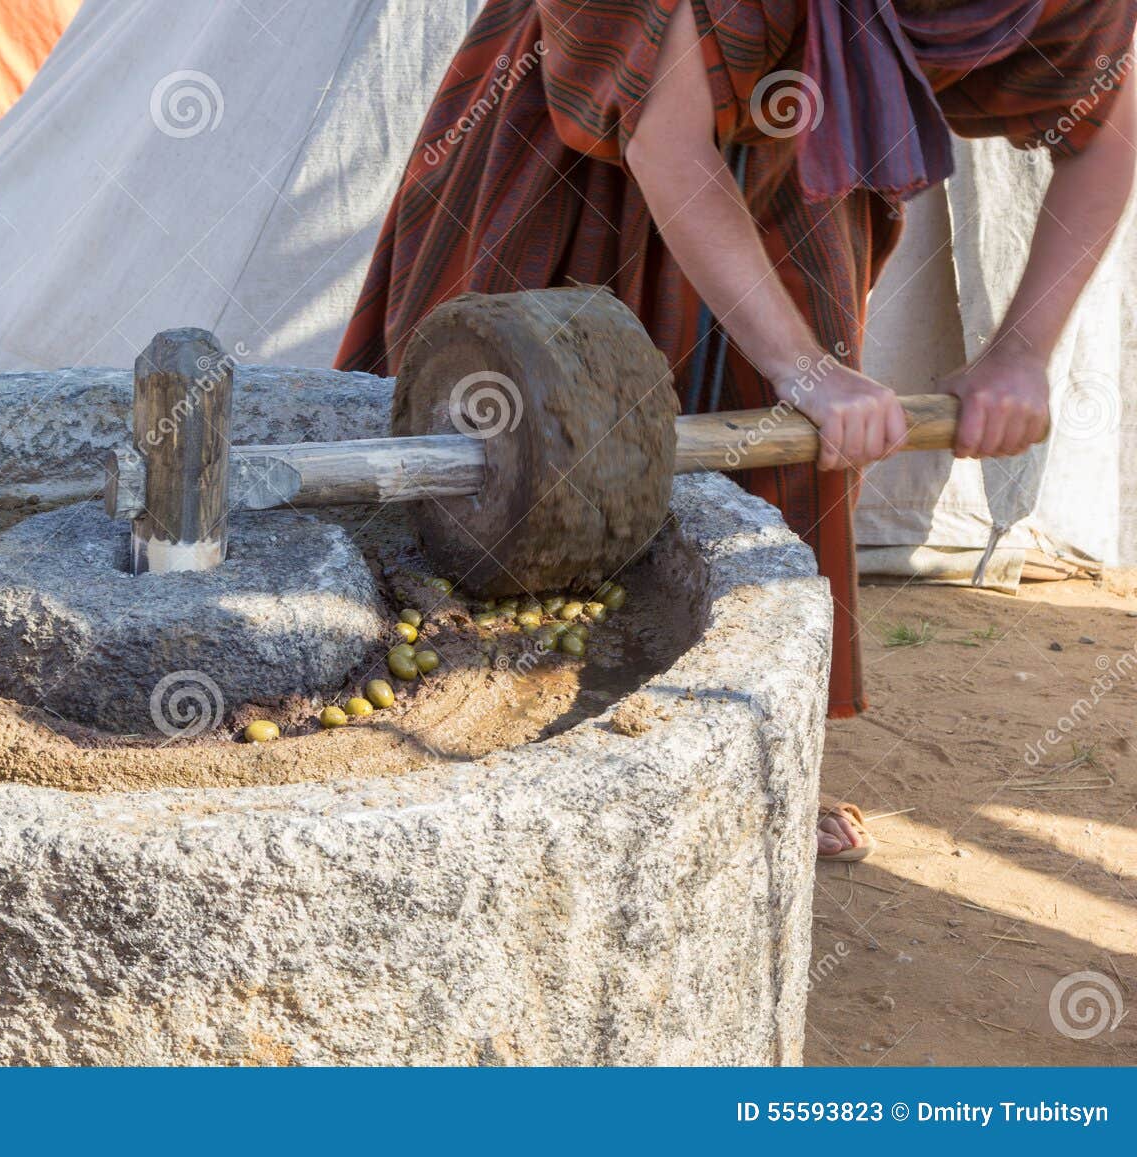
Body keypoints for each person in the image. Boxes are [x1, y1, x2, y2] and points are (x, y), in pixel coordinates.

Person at [335, 0, 1137, 859]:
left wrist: (1020, 354)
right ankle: (472, 737)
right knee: (513, 440)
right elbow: (665, 143)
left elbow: (1110, 128)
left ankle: (754, 744)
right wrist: (807, 369)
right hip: (581, 137)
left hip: (799, 160)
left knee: (791, 472)